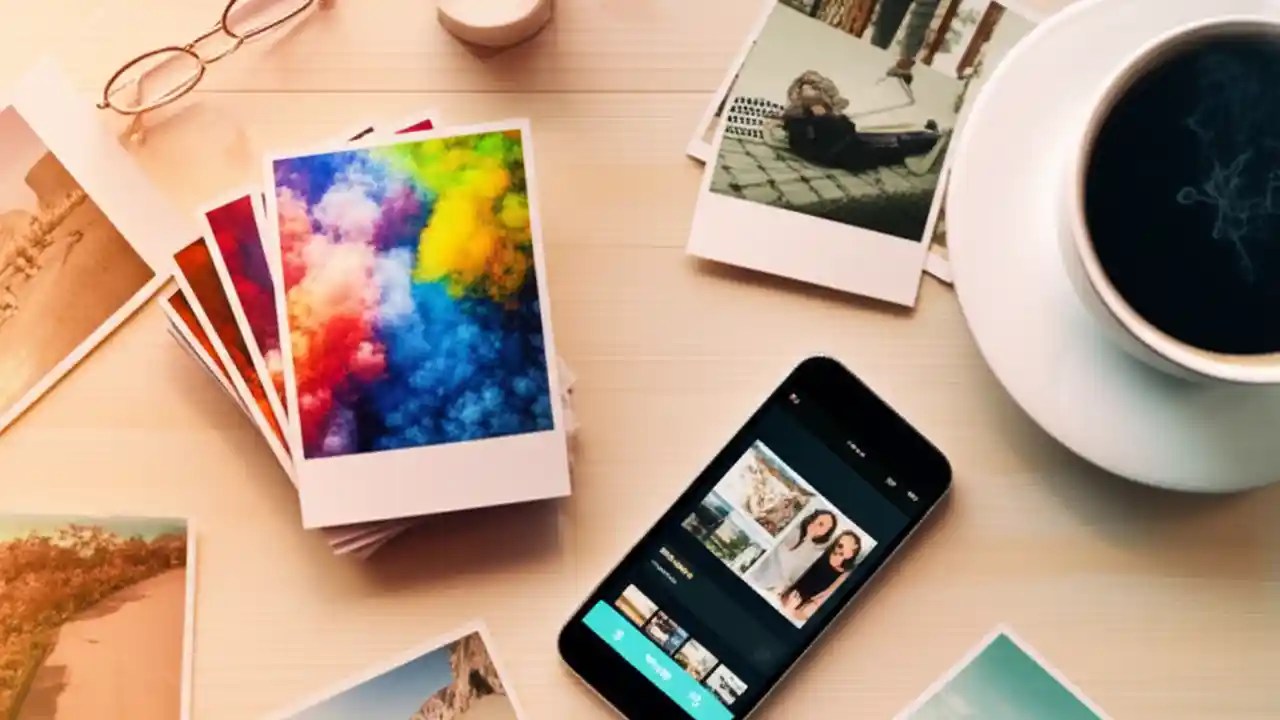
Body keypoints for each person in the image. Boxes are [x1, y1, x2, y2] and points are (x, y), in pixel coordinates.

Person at [781, 70, 941, 173]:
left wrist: (828, 117)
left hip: (847, 144)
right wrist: (825, 119)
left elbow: (845, 128)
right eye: (809, 88)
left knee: (885, 135)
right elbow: (842, 132)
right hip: (849, 154)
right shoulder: (805, 119)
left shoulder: (811, 113)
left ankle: (924, 132)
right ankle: (930, 139)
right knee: (894, 146)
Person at [779, 531, 863, 622]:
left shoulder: (846, 572)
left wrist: (807, 606)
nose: (841, 546)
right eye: (840, 543)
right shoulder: (823, 552)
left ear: (854, 549)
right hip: (790, 589)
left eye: (848, 544)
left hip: (807, 604)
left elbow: (828, 593)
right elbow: (799, 568)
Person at [748, 509, 837, 592]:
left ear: (826, 532)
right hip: (755, 567)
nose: (815, 524)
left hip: (769, 586)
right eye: (815, 519)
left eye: (821, 524)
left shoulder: (815, 554)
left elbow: (794, 574)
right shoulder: (793, 528)